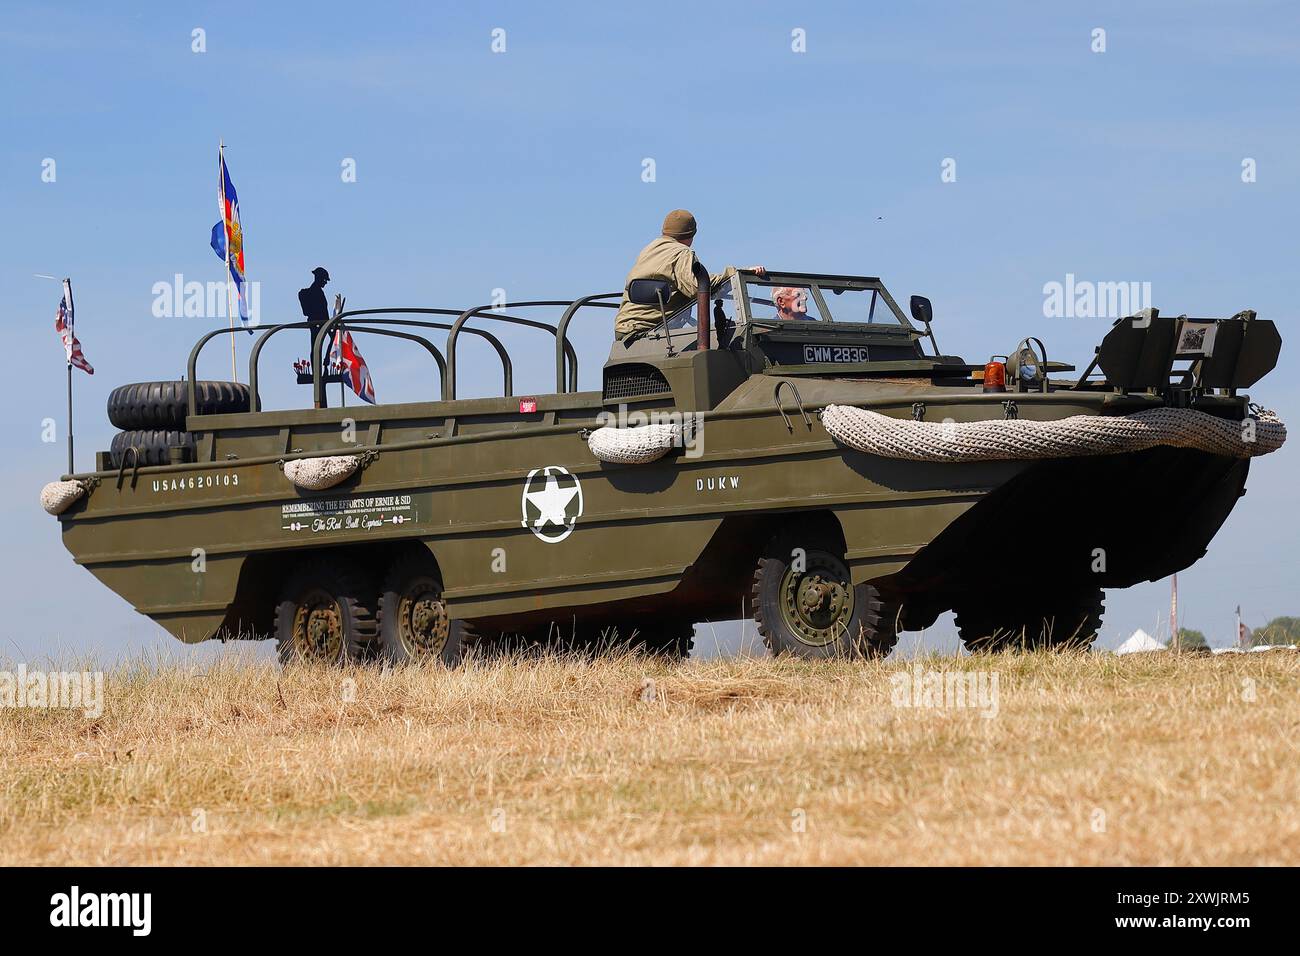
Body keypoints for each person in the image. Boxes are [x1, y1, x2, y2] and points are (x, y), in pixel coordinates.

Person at [613, 210, 764, 341]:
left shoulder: (650, 249)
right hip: (648, 330)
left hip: (624, 328)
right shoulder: (681, 253)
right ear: (690, 235)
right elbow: (698, 288)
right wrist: (734, 274)